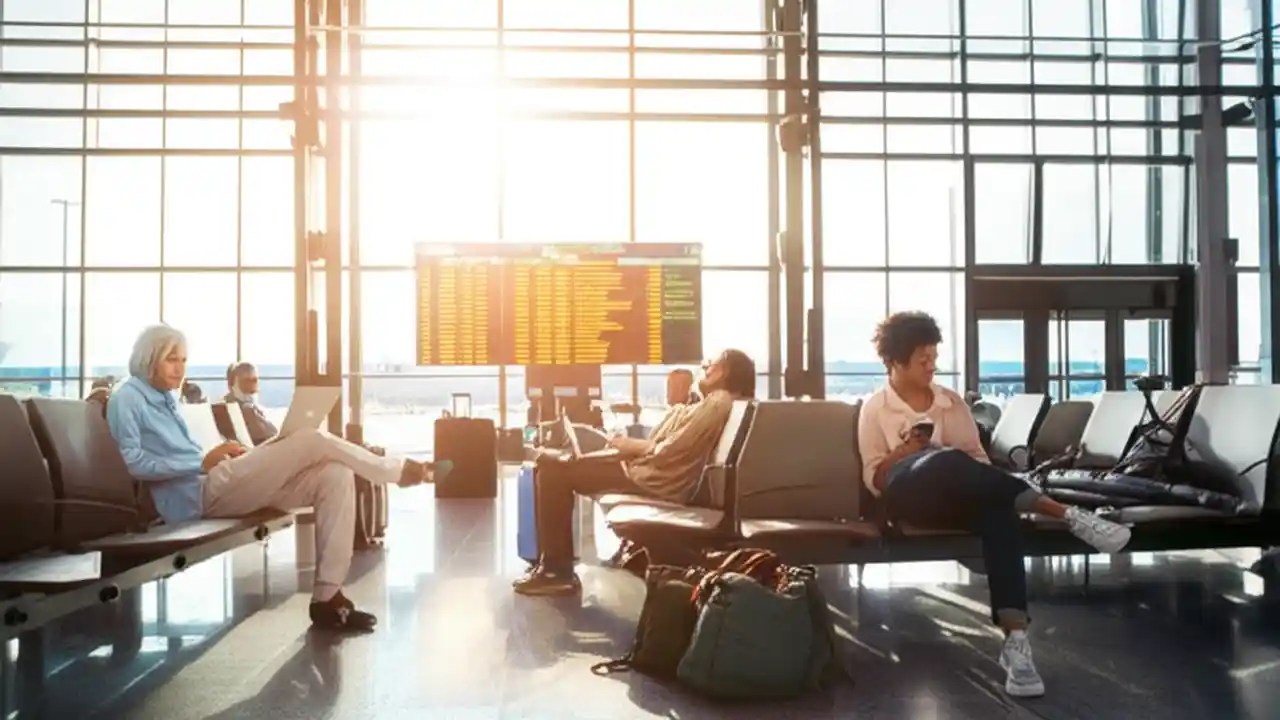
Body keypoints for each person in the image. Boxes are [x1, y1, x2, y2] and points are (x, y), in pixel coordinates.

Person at [857, 311, 1131, 698]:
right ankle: (1064, 513)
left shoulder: (951, 404)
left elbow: (980, 466)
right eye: (923, 360)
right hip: (906, 498)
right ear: (895, 361)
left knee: (997, 510)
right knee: (947, 458)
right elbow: (875, 479)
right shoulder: (876, 409)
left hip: (955, 497)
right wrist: (909, 451)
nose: (932, 366)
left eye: (934, 357)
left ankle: (1017, 644)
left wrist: (949, 465)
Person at [106, 324, 451, 633]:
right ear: (149, 358)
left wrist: (222, 452)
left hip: (216, 484)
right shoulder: (128, 397)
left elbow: (182, 453)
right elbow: (132, 463)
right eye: (171, 360)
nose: (180, 368)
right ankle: (396, 470)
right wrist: (202, 460)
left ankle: (327, 598)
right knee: (310, 439)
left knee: (335, 474)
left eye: (183, 360)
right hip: (196, 496)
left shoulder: (167, 399)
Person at [514, 349, 757, 597]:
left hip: (653, 481)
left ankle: (556, 571)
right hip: (646, 473)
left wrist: (628, 446)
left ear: (725, 371)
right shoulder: (710, 402)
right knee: (557, 464)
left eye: (711, 365)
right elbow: (667, 446)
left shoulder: (718, 401)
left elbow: (669, 450)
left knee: (554, 470)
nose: (705, 368)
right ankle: (554, 567)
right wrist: (622, 449)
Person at [224, 361, 279, 445]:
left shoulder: (254, 408)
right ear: (231, 384)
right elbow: (274, 435)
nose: (251, 386)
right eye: (245, 381)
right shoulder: (247, 409)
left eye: (254, 380)